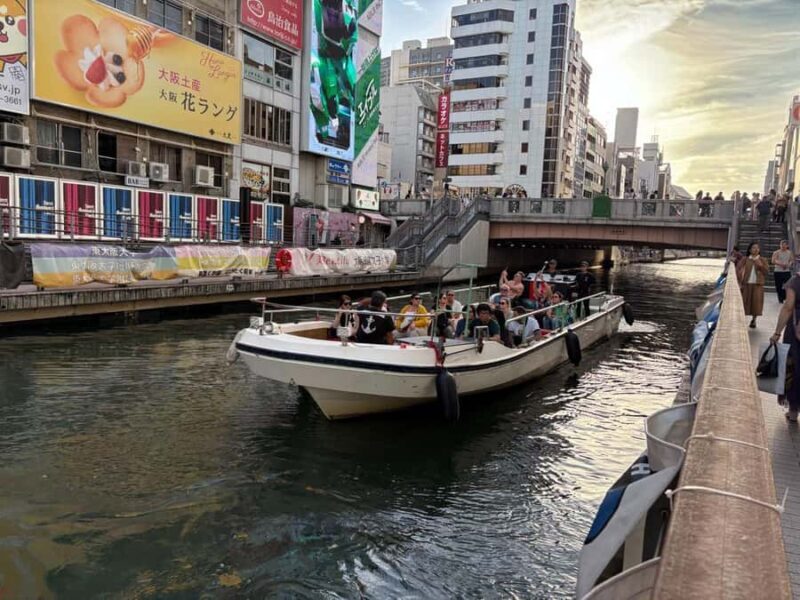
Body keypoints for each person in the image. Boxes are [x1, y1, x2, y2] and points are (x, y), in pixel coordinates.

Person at [771, 274, 800, 421]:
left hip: (795, 330)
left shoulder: (795, 281)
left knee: (793, 366)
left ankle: (794, 410)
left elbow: (788, 307)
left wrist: (777, 333)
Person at [736, 242, 768, 328]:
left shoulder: (763, 260)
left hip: (758, 284)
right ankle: (742, 320)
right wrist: (739, 281)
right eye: (754, 248)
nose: (756, 249)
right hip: (746, 284)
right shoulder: (745, 259)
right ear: (750, 250)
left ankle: (754, 320)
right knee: (744, 302)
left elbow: (766, 272)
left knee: (756, 303)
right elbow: (738, 269)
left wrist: (761, 266)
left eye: (757, 248)